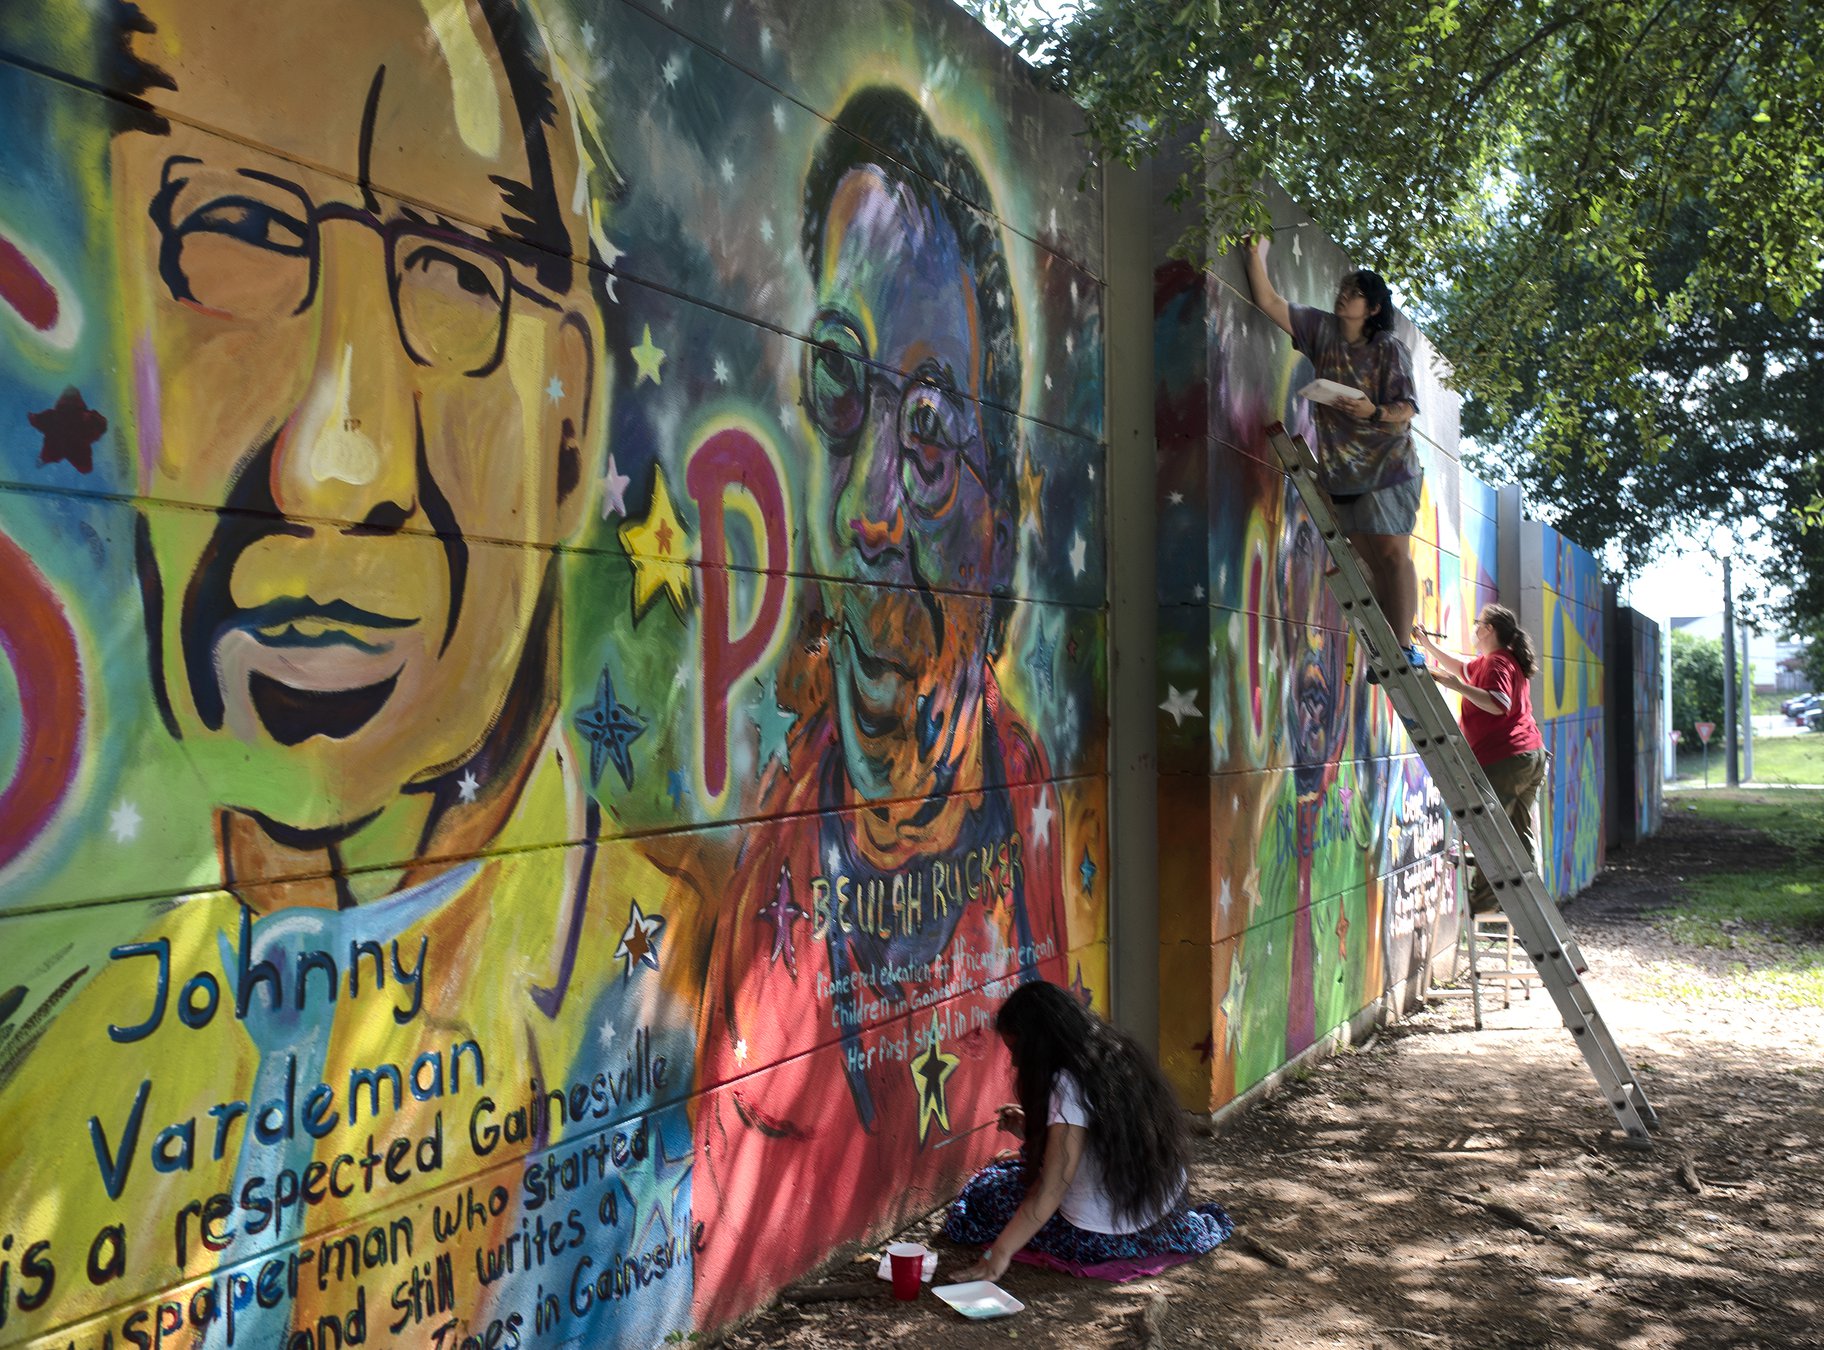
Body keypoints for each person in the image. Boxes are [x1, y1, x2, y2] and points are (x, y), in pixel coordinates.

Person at [692, 85, 1067, 1326]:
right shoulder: (772, 850)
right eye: (841, 395)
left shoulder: (1033, 830)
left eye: (926, 435)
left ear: (1000, 515)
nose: (865, 514)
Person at [944, 981, 1233, 1281]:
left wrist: (998, 1255)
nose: (1016, 1062)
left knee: (985, 1193)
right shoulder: (1115, 1050)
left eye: (1017, 1050)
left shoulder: (1066, 1085)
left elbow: (1051, 1187)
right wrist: (1034, 1129)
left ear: (1039, 1045)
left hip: (1106, 1236)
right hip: (1166, 1213)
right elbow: (1101, 1138)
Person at [1245, 234, 1426, 672]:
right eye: (1343, 289)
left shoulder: (1388, 349)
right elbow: (1269, 302)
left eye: (1355, 293)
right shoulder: (1320, 329)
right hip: (1343, 474)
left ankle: (1402, 651)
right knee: (1368, 562)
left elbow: (1406, 412)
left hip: (1388, 467)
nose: (1344, 296)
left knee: (1391, 557)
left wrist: (1373, 410)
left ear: (1374, 309)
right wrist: (1257, 254)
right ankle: (1392, 645)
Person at [1415, 605, 1548, 912]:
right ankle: (1530, 901)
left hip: (1507, 758)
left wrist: (1456, 687)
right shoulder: (1497, 661)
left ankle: (1485, 900)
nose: (1475, 628)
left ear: (1489, 630)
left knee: (1490, 831)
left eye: (1478, 624)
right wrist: (1428, 645)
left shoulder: (1498, 662)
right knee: (1516, 831)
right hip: (1529, 756)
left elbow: (1499, 703)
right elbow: (1462, 667)